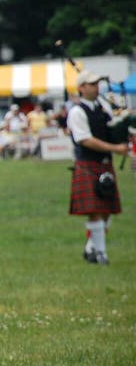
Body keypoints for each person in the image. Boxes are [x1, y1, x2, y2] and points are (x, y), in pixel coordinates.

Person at [66, 70, 128, 265]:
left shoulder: (103, 108)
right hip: (88, 164)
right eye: (91, 84)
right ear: (81, 88)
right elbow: (85, 140)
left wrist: (123, 121)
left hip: (104, 164)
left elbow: (112, 129)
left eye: (96, 84)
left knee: (107, 209)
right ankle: (101, 254)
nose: (96, 87)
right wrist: (115, 148)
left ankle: (91, 247)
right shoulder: (77, 112)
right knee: (95, 211)